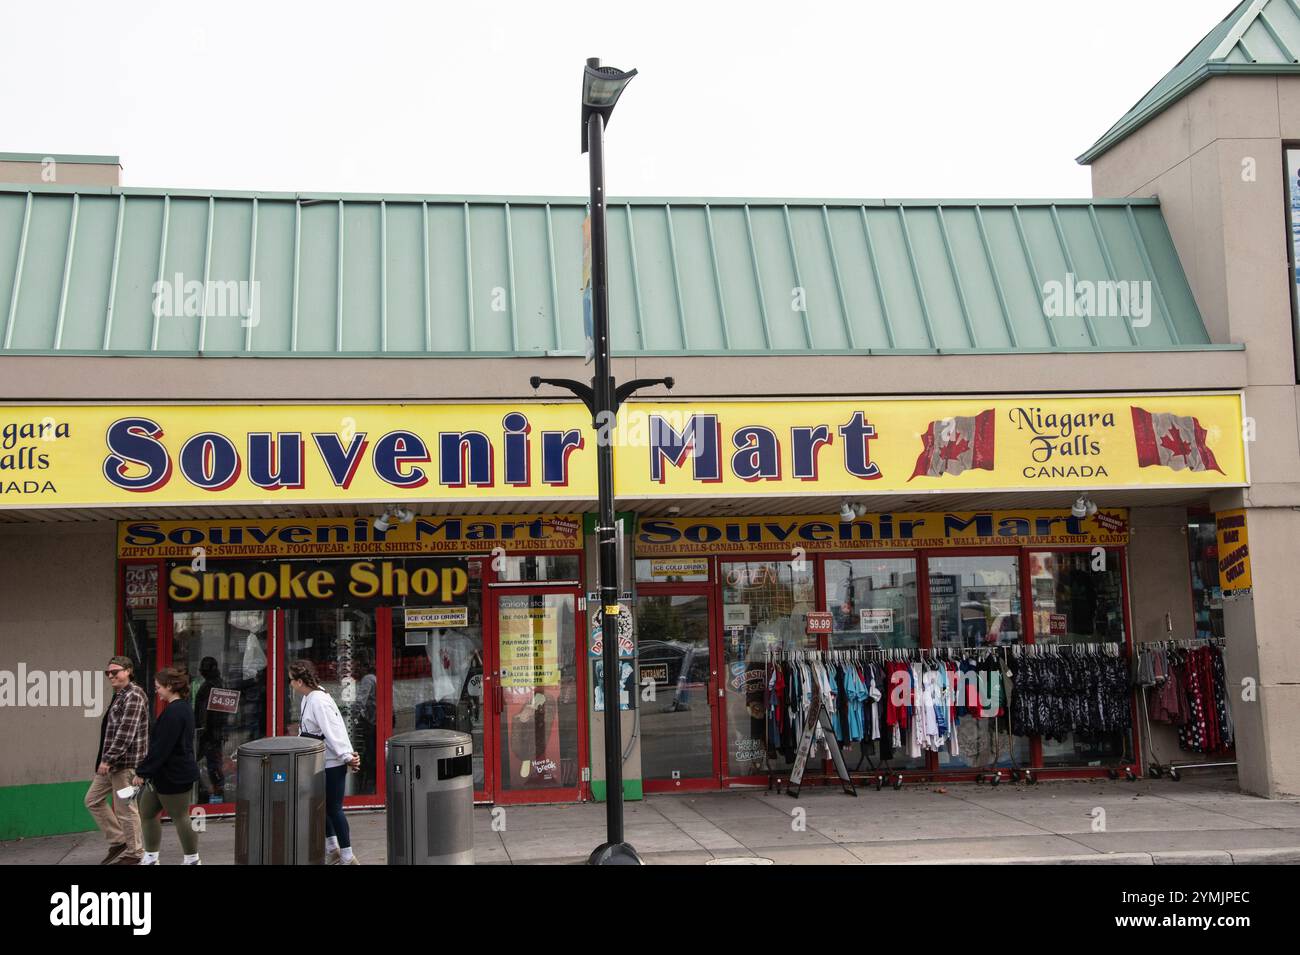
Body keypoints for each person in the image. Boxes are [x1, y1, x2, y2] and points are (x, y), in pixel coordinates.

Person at [288, 660, 362, 865]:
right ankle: (333, 849)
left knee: (333, 808)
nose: (290, 684)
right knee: (321, 807)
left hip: (331, 762)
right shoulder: (310, 697)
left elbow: (333, 730)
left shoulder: (318, 700)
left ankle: (347, 856)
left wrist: (347, 756)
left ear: (300, 681)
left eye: (291, 680)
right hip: (319, 762)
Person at [132, 668, 202, 865]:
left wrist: (143, 772)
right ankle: (151, 857)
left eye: (159, 687)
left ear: (170, 686)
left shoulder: (174, 711)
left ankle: (192, 859)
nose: (157, 691)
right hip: (166, 774)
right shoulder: (182, 708)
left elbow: (162, 747)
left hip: (174, 774)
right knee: (146, 812)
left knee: (180, 816)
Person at [86, 655, 149, 865]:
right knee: (92, 800)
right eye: (108, 673)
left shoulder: (134, 695)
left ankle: (136, 852)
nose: (111, 676)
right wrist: (105, 761)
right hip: (112, 764)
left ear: (128, 671)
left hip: (124, 764)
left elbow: (125, 733)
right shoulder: (120, 695)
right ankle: (118, 840)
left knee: (126, 809)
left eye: (116, 672)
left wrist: (108, 759)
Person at [192, 657, 227, 802]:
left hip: (210, 733)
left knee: (211, 764)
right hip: (211, 732)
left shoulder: (212, 686)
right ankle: (215, 792)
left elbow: (207, 713)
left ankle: (217, 793)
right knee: (210, 764)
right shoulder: (217, 684)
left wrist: (204, 728)